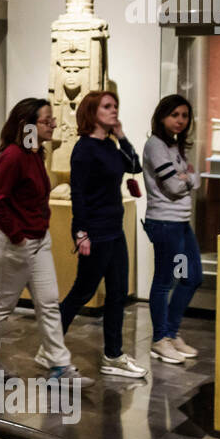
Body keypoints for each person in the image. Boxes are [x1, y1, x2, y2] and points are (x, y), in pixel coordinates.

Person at [0, 98, 90, 384]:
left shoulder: (36, 154)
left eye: (51, 119)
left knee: (49, 303)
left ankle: (59, 366)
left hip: (37, 241)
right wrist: (18, 236)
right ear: (28, 125)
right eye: (46, 120)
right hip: (12, 243)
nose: (52, 124)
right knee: (2, 304)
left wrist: (36, 232)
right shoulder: (13, 156)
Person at [59, 90, 147, 378]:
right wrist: (80, 232)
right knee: (82, 292)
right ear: (92, 113)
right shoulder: (84, 149)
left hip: (114, 229)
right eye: (107, 107)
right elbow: (79, 194)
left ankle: (113, 355)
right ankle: (51, 346)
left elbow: (135, 166)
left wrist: (122, 135)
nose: (114, 111)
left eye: (115, 106)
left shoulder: (111, 145)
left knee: (118, 293)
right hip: (95, 231)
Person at [142, 94, 202, 363]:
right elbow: (176, 186)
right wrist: (188, 178)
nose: (180, 120)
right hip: (165, 223)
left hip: (180, 222)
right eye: (174, 115)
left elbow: (191, 179)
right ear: (162, 117)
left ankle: (171, 332)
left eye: (184, 116)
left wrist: (187, 177)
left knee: (192, 277)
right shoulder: (155, 145)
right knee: (165, 281)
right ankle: (159, 339)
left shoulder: (177, 146)